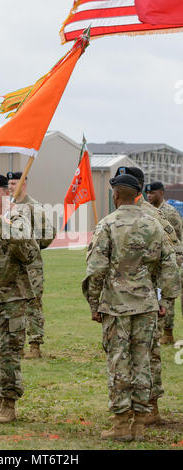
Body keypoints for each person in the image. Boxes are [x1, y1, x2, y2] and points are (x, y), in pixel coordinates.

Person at [82, 174, 180, 442]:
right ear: (138, 194)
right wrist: (164, 302)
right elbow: (168, 265)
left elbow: (96, 269)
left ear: (116, 195)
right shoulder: (153, 224)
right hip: (147, 304)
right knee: (142, 361)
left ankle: (121, 423)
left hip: (116, 306)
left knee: (118, 362)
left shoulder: (108, 224)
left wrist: (94, 303)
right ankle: (139, 422)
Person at [114, 166, 183, 424]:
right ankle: (134, 406)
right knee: (128, 354)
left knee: (146, 353)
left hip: (145, 299)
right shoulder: (118, 216)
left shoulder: (156, 218)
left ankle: (149, 407)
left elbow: (174, 255)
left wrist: (164, 297)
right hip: (121, 300)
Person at [0, 174, 40, 423]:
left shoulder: (19, 219)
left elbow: (29, 254)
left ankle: (9, 403)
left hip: (14, 295)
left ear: (7, 193)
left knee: (9, 350)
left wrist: (5, 226)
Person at [7, 171, 56, 359]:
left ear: (24, 183)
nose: (11, 186)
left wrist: (32, 247)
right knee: (14, 304)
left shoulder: (34, 207)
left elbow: (49, 233)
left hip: (31, 266)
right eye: (9, 183)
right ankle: (17, 345)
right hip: (12, 266)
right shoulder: (6, 207)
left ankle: (35, 345)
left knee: (33, 303)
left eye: (14, 183)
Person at [146, 181, 183, 344]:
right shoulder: (151, 211)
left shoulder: (169, 212)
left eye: (152, 193)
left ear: (161, 193)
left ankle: (167, 333)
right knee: (159, 296)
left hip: (171, 259)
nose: (149, 196)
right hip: (157, 260)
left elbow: (175, 239)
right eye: (147, 193)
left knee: (167, 296)